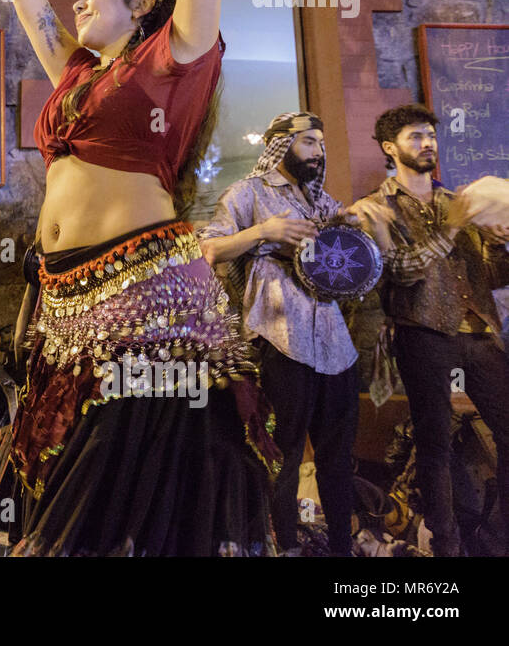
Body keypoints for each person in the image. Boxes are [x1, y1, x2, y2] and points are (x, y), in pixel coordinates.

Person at [6, 0, 279, 556]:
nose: (78, 2)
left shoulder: (174, 55)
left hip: (146, 289)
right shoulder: (78, 71)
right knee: (74, 472)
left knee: (117, 480)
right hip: (66, 294)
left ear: (145, 6)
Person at [350, 104, 509, 557]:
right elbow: (399, 271)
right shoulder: (372, 210)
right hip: (423, 335)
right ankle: (447, 546)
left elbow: (491, 276)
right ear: (389, 147)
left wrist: (501, 245)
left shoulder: (456, 200)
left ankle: (495, 540)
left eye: (431, 137)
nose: (428, 144)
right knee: (434, 445)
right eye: (416, 136)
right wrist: (452, 229)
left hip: (478, 332)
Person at [198, 112, 358, 556]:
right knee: (280, 456)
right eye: (308, 142)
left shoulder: (322, 203)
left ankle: (341, 551)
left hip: (335, 344)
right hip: (278, 336)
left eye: (321, 145)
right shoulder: (247, 193)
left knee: (338, 458)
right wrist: (265, 231)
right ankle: (280, 546)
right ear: (279, 145)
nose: (318, 152)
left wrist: (354, 228)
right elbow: (208, 248)